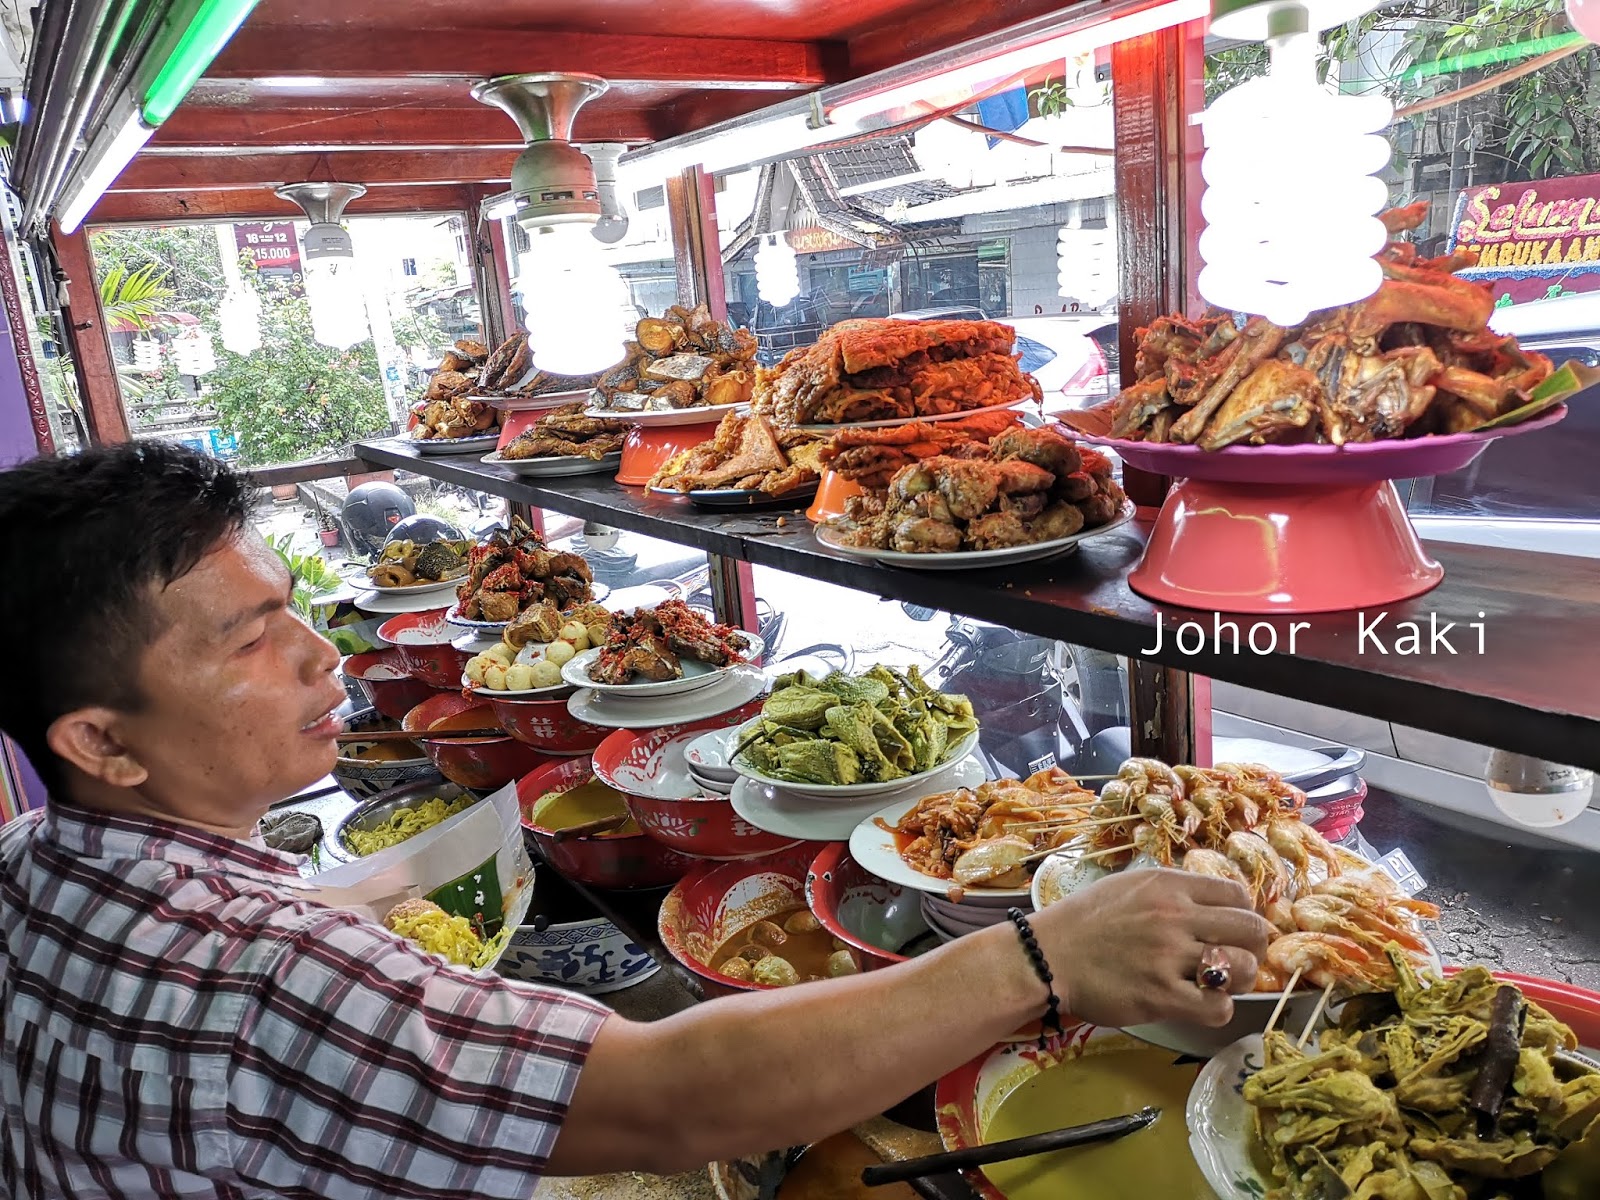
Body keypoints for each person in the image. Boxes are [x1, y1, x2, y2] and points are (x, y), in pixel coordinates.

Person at [0, 442, 1271, 1200]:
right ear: (99, 741)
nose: (319, 654)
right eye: (250, 639)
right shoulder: (271, 979)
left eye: (292, 605)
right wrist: (1041, 958)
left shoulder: (27, 861)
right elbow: (670, 1097)